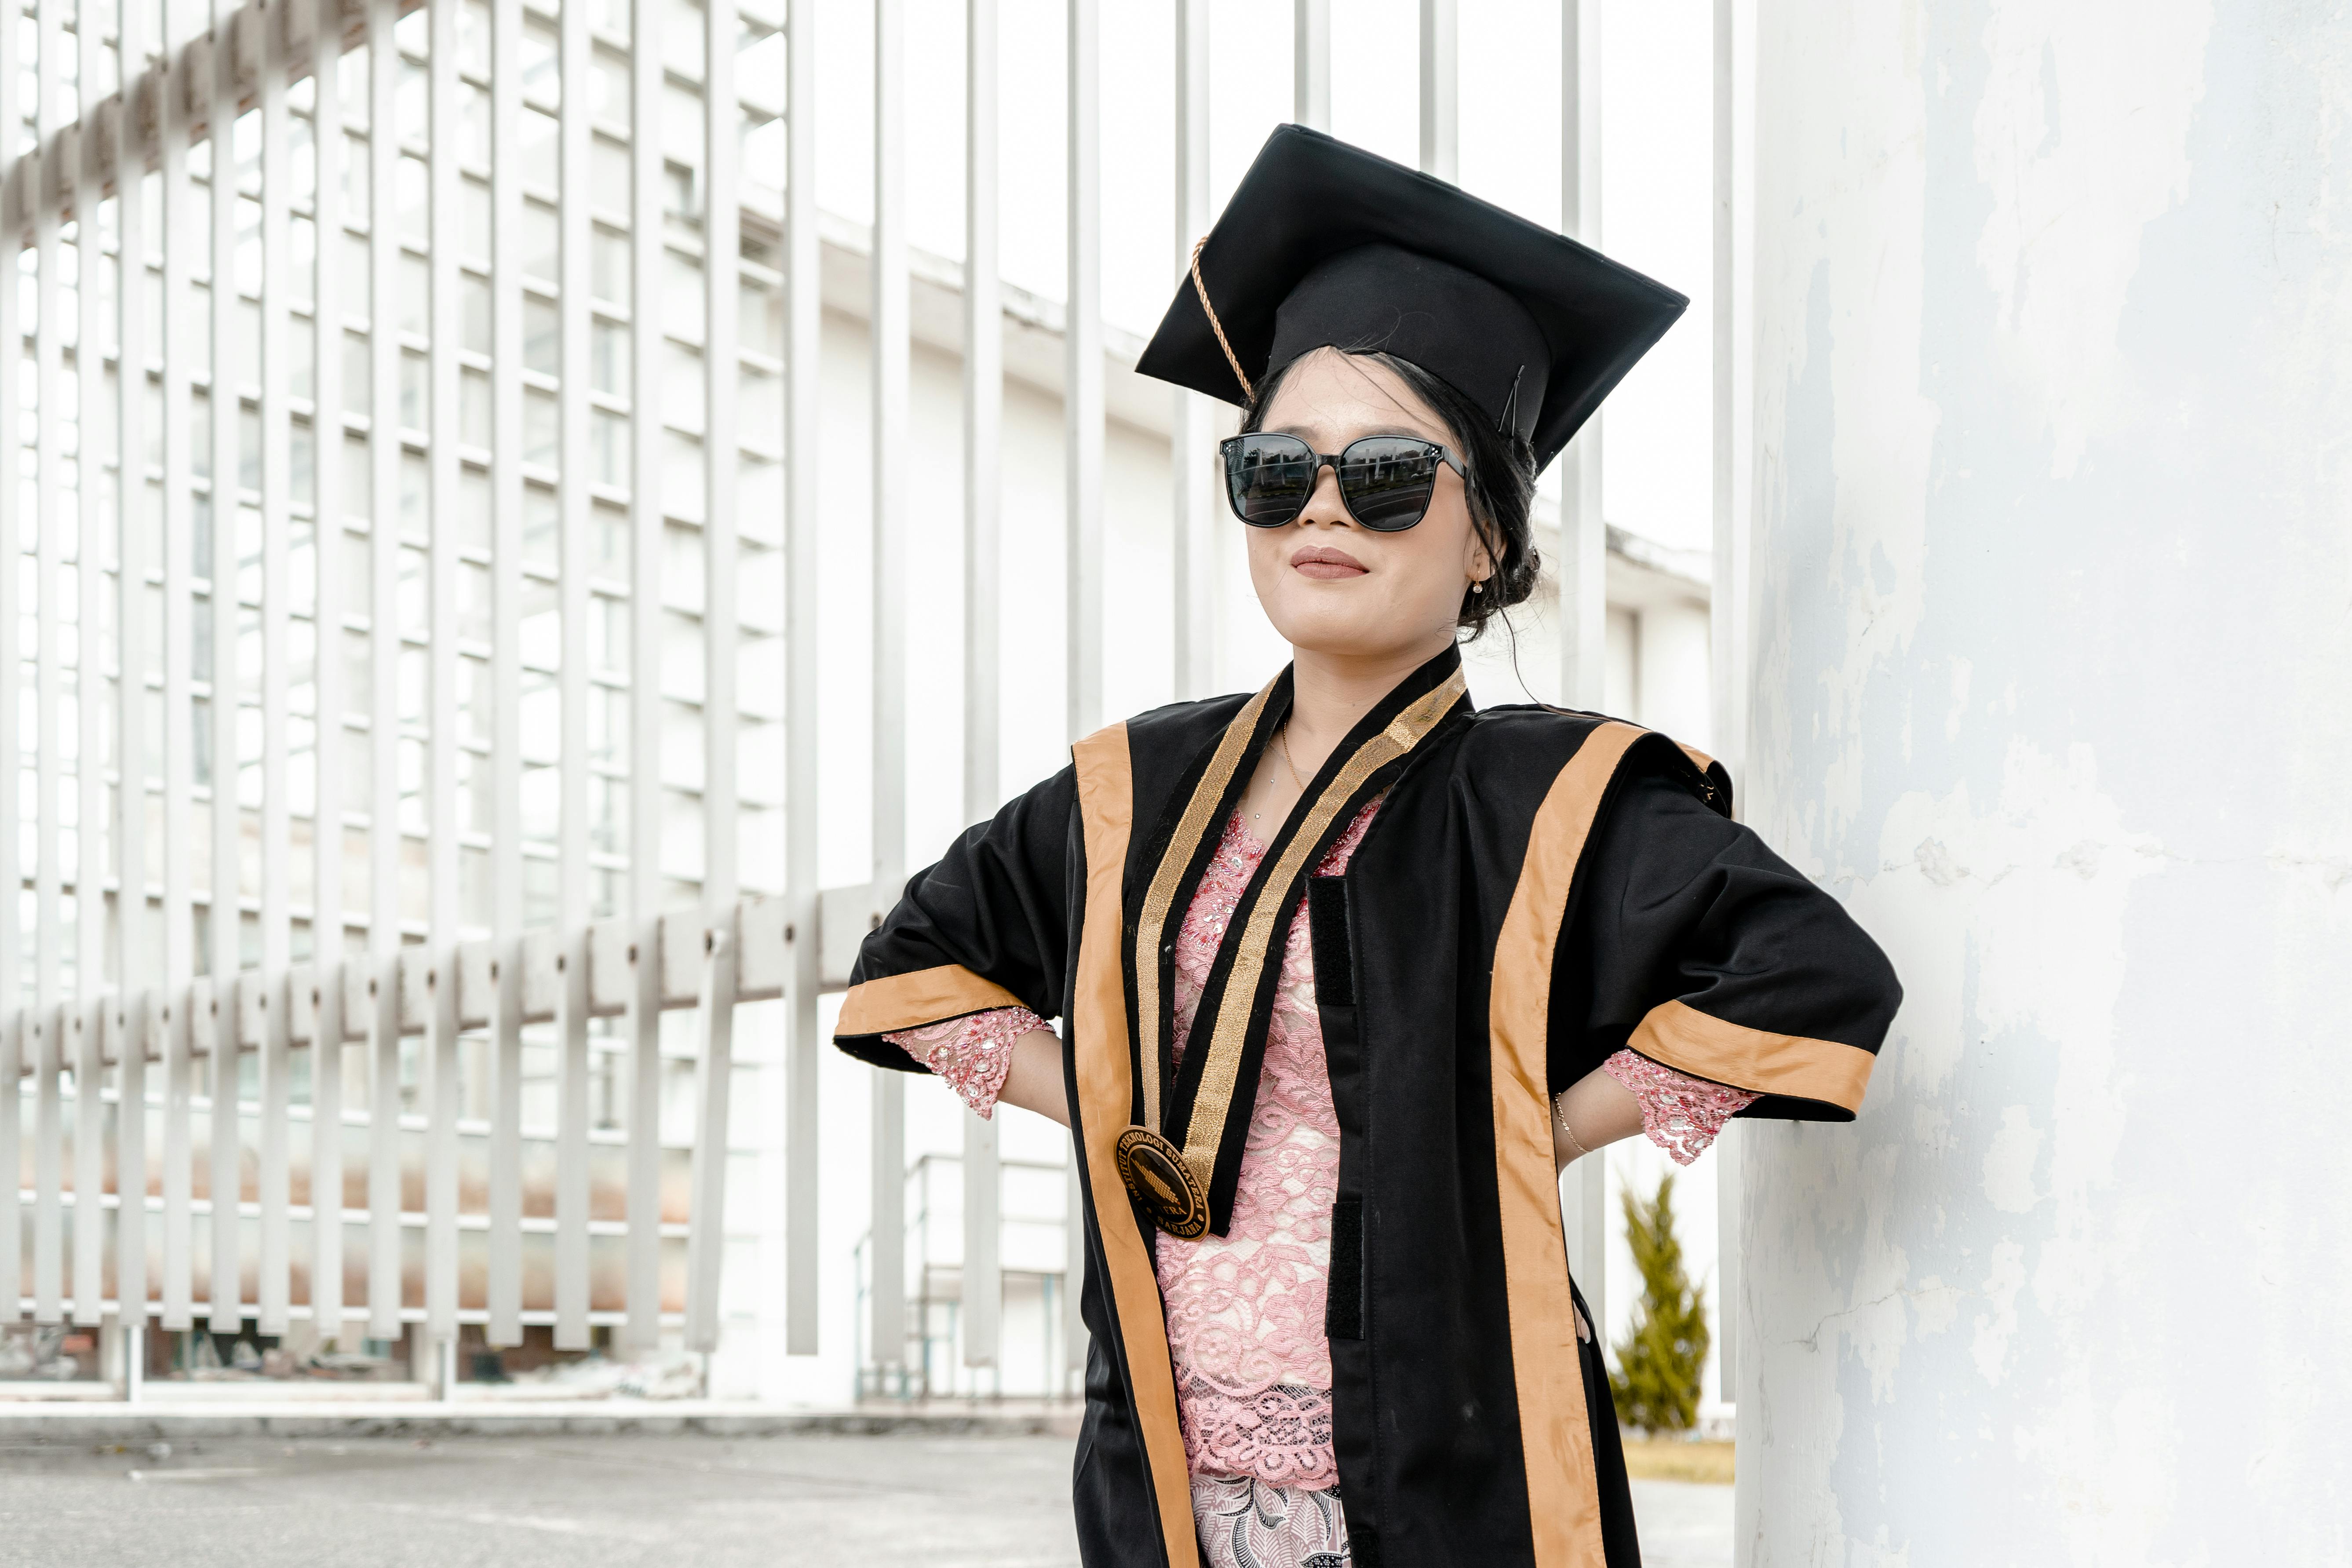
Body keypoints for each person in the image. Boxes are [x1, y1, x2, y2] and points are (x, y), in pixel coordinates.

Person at [835, 125, 1901, 1568]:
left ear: (1486, 539)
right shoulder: (1130, 787)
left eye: (1390, 473)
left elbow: (1808, 973)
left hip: (1456, 1472)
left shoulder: (1553, 796)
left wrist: (1520, 1129)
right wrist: (1112, 1113)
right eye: (1277, 470)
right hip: (1168, 1476)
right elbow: (919, 969)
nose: (1323, 507)